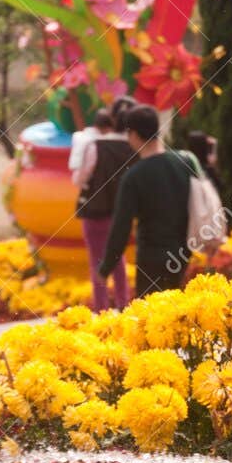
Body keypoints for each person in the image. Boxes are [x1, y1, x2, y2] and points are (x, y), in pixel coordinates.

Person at [100, 104, 191, 299]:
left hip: (152, 258)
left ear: (133, 134)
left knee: (153, 320)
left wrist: (106, 267)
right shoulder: (183, 163)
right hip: (184, 253)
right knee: (180, 316)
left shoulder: (134, 177)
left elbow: (121, 227)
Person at [72, 105, 135, 310]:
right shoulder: (131, 147)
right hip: (120, 212)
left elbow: (81, 178)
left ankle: (101, 307)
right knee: (118, 258)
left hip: (95, 211)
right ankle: (123, 302)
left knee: (96, 259)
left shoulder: (95, 146)